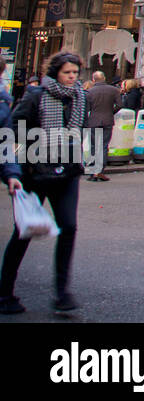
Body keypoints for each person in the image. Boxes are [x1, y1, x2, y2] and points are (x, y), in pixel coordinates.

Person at [1, 51, 89, 313]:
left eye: (75, 73)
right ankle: (5, 293)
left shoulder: (80, 97)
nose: (72, 77)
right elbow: (14, 128)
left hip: (67, 172)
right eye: (66, 73)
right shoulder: (36, 95)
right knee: (24, 231)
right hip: (36, 172)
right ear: (55, 73)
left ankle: (62, 292)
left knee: (69, 227)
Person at [85, 70, 123, 182]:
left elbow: (87, 109)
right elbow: (120, 104)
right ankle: (100, 171)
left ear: (93, 79)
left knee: (93, 146)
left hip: (94, 121)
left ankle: (93, 172)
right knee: (103, 146)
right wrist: (111, 112)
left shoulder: (89, 92)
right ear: (104, 78)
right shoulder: (114, 90)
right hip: (107, 120)